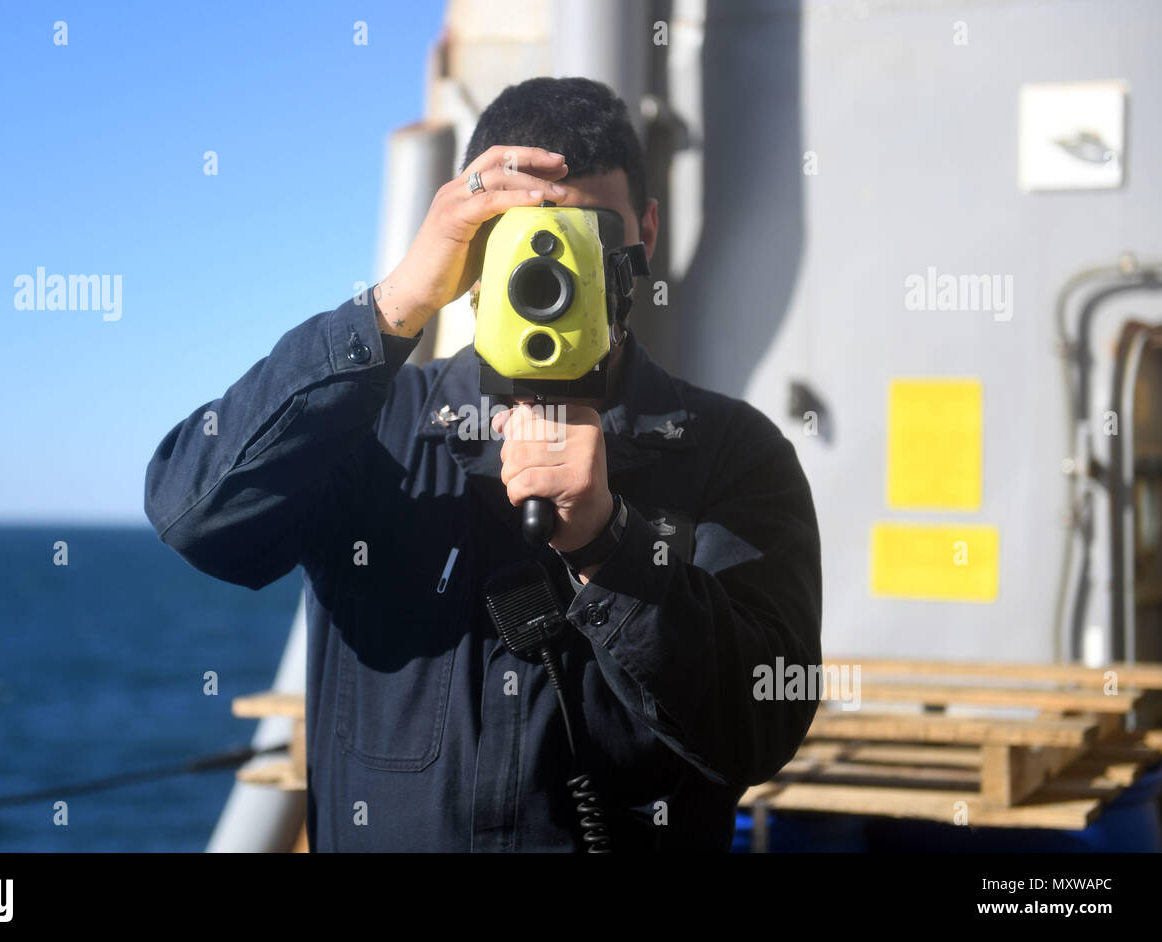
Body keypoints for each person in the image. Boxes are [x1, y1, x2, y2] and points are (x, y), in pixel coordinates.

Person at [144, 76, 822, 852]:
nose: (555, 271)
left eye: (590, 235)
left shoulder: (730, 452)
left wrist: (612, 548)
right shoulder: (379, 427)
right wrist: (395, 304)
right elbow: (196, 515)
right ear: (468, 243)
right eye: (520, 234)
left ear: (646, 235)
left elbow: (764, 724)